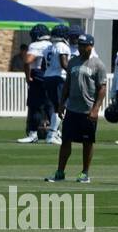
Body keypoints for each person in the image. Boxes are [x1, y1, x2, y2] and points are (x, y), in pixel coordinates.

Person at [43, 33, 106, 184]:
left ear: (91, 46)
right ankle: (60, 172)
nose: (81, 48)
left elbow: (102, 88)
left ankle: (85, 173)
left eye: (84, 45)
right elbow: (67, 84)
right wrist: (61, 103)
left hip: (88, 110)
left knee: (87, 142)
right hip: (72, 109)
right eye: (80, 45)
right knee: (66, 141)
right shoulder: (73, 62)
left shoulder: (98, 64)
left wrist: (96, 109)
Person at [16, 24, 53, 143]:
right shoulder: (53, 45)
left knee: (35, 107)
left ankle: (33, 134)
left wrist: (28, 77)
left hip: (38, 78)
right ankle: (54, 134)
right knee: (51, 108)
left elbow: (27, 61)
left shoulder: (35, 45)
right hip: (51, 78)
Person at [41, 24, 71, 146]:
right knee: (61, 106)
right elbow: (64, 63)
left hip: (48, 77)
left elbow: (43, 65)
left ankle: (55, 132)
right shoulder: (62, 46)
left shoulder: (48, 47)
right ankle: (52, 133)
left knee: (55, 106)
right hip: (59, 77)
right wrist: (73, 71)